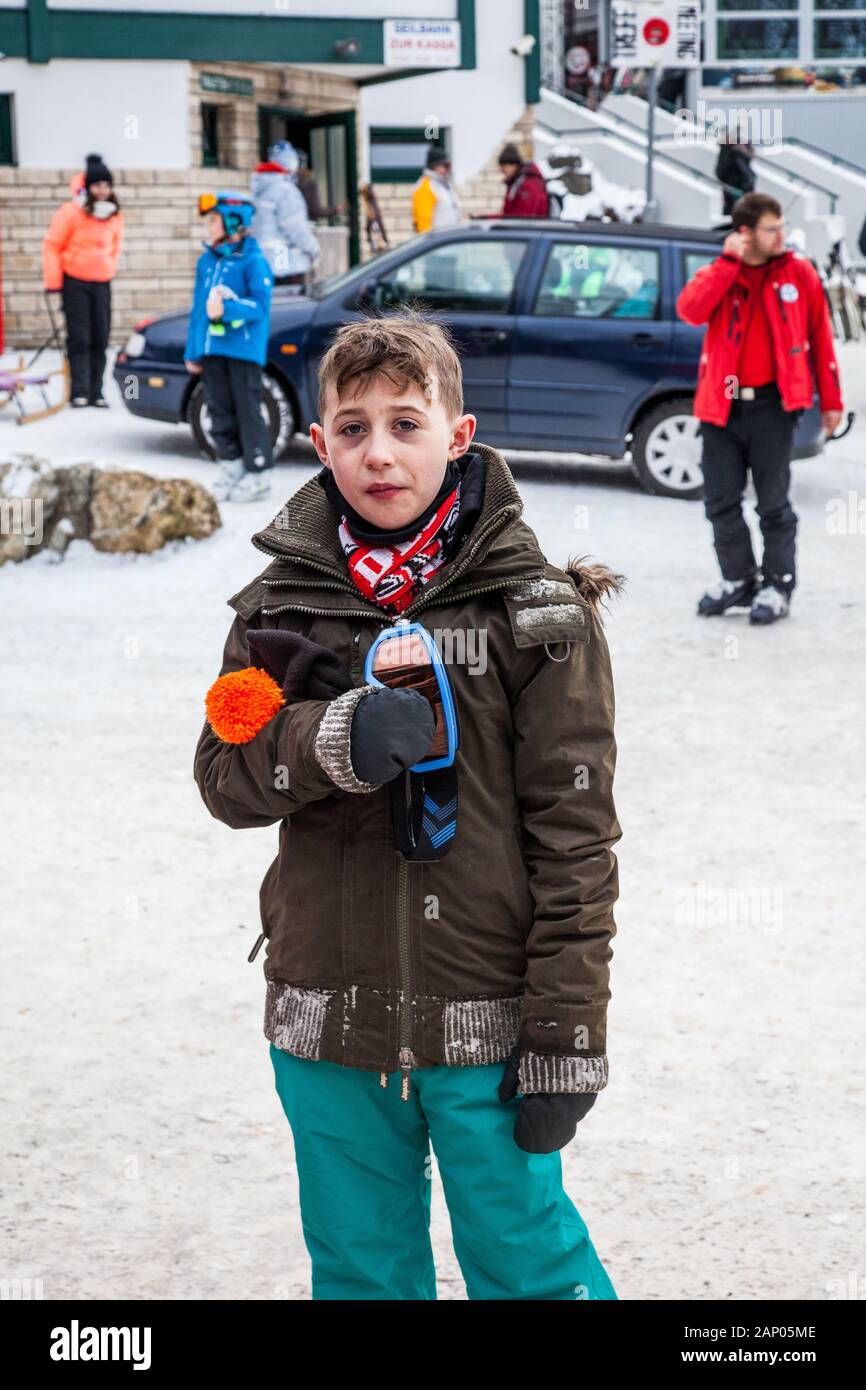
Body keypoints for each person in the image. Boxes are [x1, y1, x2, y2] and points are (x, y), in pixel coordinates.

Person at [193, 311, 622, 1301]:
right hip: (328, 1018)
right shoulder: (276, 612)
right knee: (358, 1267)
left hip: (488, 1018)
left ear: (457, 436)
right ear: (318, 443)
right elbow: (225, 776)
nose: (377, 452)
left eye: (405, 423)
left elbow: (577, 836)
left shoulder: (537, 614)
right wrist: (328, 740)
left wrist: (567, 1030)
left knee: (528, 1262)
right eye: (351, 427)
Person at [677, 192, 843, 624]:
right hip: (722, 406)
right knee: (720, 501)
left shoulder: (797, 272)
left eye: (781, 226)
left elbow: (821, 338)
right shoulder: (721, 272)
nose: (782, 236)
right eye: (772, 229)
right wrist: (728, 264)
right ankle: (738, 579)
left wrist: (833, 401)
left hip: (772, 407)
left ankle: (776, 585)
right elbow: (690, 311)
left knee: (773, 503)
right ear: (746, 233)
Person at [183, 190, 274, 504]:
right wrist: (193, 351)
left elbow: (260, 306)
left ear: (235, 221)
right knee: (218, 409)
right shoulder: (207, 261)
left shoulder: (253, 261)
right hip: (213, 351)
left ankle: (259, 472)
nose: (210, 226)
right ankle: (231, 465)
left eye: (214, 219)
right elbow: (199, 311)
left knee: (247, 411)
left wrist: (228, 310)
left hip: (243, 351)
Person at [42, 152, 124, 408]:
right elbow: (52, 245)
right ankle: (78, 390)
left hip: (102, 284)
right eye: (98, 185)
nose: (102, 190)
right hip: (75, 283)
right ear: (89, 187)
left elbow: (115, 247)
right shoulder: (71, 212)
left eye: (107, 186)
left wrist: (110, 267)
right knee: (80, 337)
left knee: (101, 337)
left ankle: (96, 391)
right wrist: (54, 282)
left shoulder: (114, 215)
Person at [250, 141, 320, 287]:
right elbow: (296, 229)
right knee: (288, 305)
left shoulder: (260, 189)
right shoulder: (285, 191)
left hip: (263, 264)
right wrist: (314, 250)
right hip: (285, 265)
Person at [411, 146, 463, 233]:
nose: (448, 169)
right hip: (438, 243)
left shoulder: (444, 185)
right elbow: (424, 224)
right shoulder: (425, 187)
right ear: (435, 166)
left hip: (449, 241)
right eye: (445, 166)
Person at [497, 143, 550, 218]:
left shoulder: (528, 185)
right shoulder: (517, 184)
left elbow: (523, 217)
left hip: (529, 229)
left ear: (513, 165)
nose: (501, 170)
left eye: (503, 166)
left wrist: (493, 219)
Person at [715, 139, 756, 218]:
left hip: (737, 189)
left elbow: (720, 172)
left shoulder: (734, 152)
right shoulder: (731, 151)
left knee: (737, 214)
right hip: (736, 189)